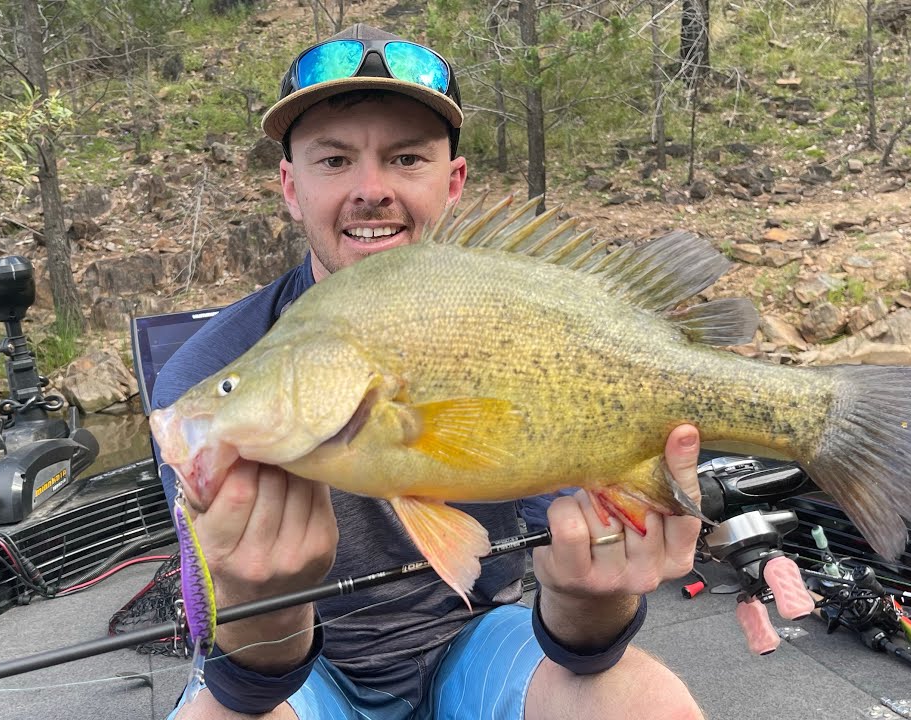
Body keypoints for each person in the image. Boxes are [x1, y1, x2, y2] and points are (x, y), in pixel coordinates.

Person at [152, 23, 710, 720]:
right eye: (333, 161)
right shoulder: (207, 372)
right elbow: (241, 680)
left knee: (649, 705)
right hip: (307, 675)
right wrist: (260, 608)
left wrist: (590, 596)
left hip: (477, 640)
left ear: (453, 183)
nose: (371, 190)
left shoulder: (514, 310)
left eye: (406, 157)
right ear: (290, 189)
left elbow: (577, 643)